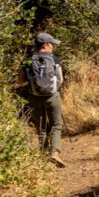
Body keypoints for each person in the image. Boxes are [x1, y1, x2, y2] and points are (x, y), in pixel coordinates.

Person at [22, 32, 68, 167]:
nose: (53, 46)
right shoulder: (55, 60)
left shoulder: (27, 61)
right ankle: (55, 153)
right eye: (52, 44)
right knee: (56, 125)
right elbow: (61, 80)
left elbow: (20, 80)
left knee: (41, 127)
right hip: (52, 97)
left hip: (34, 98)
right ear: (46, 45)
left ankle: (43, 158)